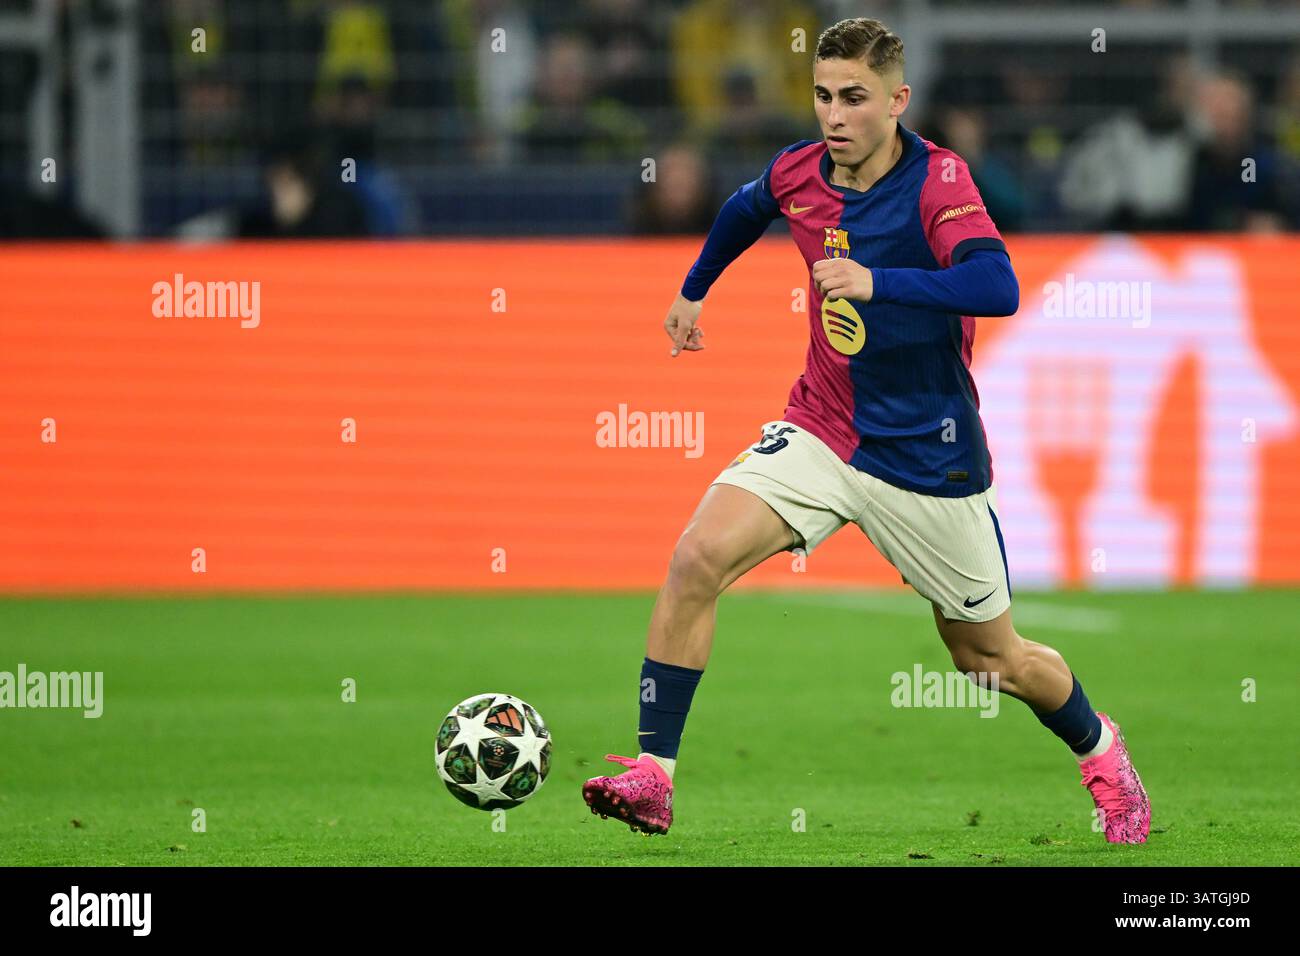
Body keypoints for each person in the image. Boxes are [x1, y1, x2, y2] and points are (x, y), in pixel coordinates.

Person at [581, 17, 1151, 844]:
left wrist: (879, 283)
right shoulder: (801, 170)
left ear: (896, 100)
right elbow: (747, 209)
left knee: (988, 660)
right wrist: (693, 290)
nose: (834, 115)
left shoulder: (938, 181)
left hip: (929, 458)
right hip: (822, 424)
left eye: (854, 97)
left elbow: (998, 285)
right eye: (822, 96)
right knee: (697, 556)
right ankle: (654, 775)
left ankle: (1102, 751)